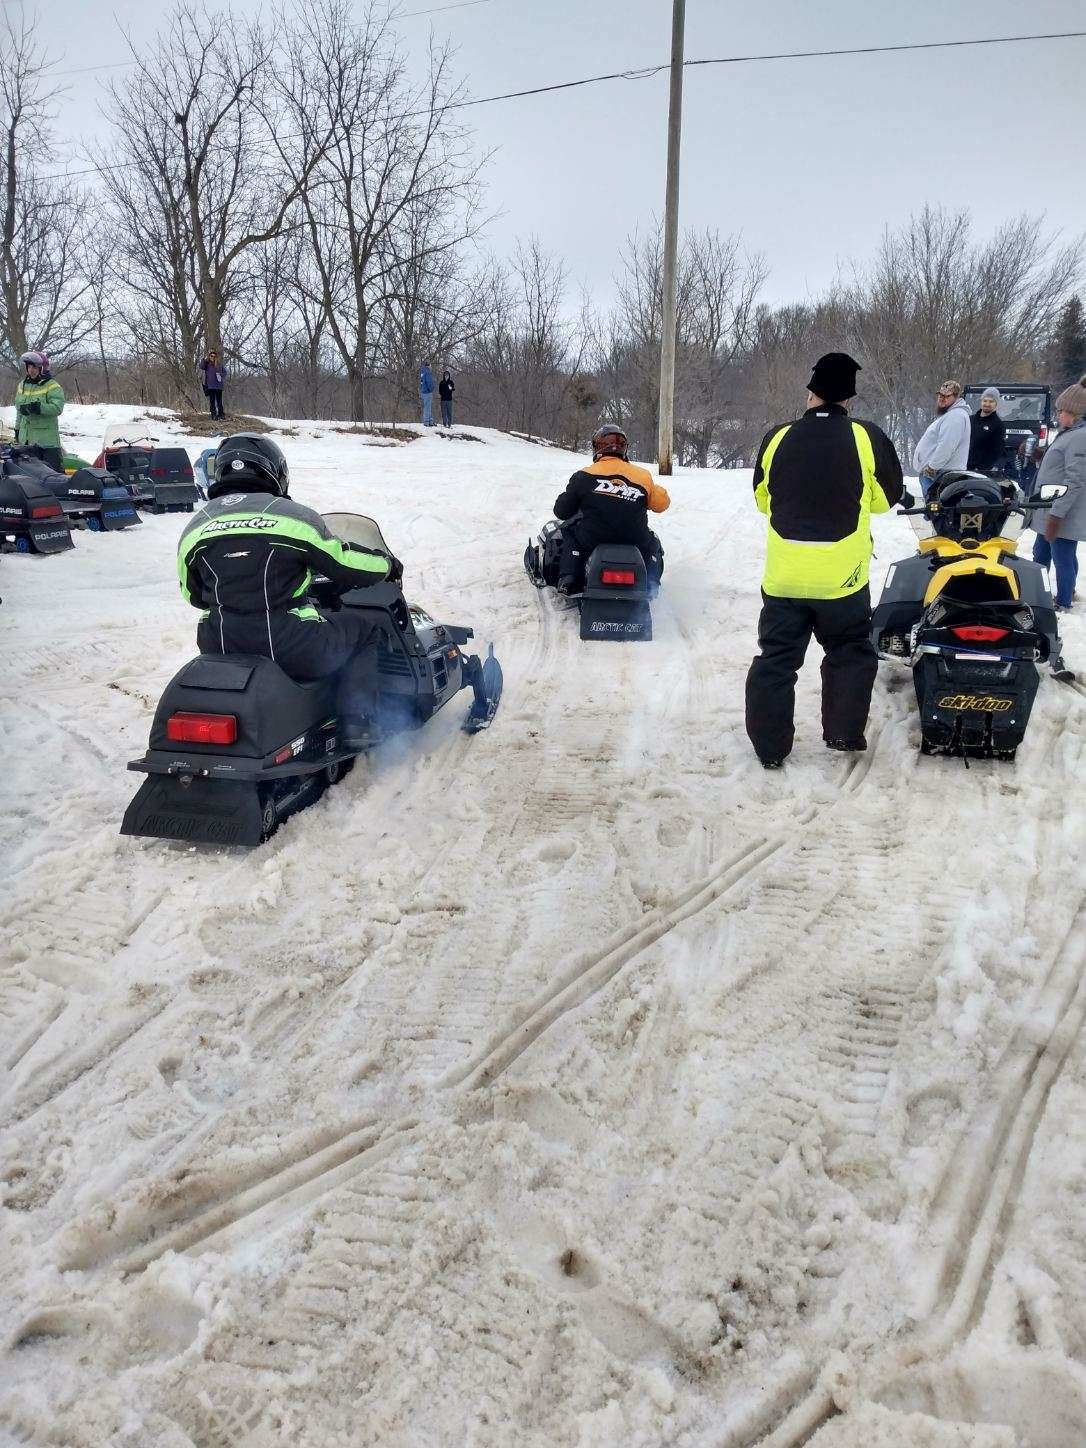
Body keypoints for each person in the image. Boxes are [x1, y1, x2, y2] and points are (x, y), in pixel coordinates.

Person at [177, 434, 400, 747]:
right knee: (364, 632)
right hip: (292, 646)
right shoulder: (292, 517)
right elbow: (343, 562)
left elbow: (193, 595)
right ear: (275, 473)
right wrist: (387, 565)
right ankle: (358, 722)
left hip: (221, 645)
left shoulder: (195, 526)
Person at [745, 352, 903, 769]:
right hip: (842, 579)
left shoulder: (777, 436)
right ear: (849, 397)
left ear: (810, 391)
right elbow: (886, 499)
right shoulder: (867, 437)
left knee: (776, 659)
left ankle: (769, 749)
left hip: (785, 577)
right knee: (850, 651)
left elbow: (764, 501)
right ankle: (841, 733)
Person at [552, 423, 670, 595]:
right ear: (624, 449)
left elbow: (561, 512)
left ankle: (569, 578)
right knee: (653, 543)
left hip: (593, 539)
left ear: (597, 448)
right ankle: (651, 583)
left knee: (569, 533)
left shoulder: (584, 475)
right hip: (634, 539)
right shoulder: (642, 476)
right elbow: (662, 504)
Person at [1032, 374, 1086, 613]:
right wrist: (1039, 457)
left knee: (1062, 557)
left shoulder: (1080, 437)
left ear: (1075, 413)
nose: (1058, 414)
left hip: (1061, 513)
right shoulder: (1069, 433)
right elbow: (1059, 466)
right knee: (1041, 553)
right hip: (1050, 510)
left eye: (1062, 410)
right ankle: (1037, 592)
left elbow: (1075, 480)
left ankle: (1063, 600)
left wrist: (1056, 516)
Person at [913, 379, 971, 497]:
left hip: (941, 475)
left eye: (946, 396)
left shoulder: (955, 416)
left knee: (936, 511)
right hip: (940, 473)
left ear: (956, 397)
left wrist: (932, 468)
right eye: (940, 395)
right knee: (934, 511)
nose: (941, 398)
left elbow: (946, 446)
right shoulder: (950, 414)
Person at [14, 351, 65, 455]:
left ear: (42, 368)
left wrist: (39, 408)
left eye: (34, 367)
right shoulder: (22, 385)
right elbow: (19, 411)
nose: (31, 370)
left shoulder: (52, 386)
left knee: (49, 471)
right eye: (29, 367)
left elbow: (57, 408)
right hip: (26, 441)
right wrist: (17, 429)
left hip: (46, 443)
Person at [968, 386, 1008, 474]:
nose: (987, 404)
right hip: (964, 466)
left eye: (991, 401)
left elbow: (997, 451)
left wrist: (984, 469)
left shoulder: (998, 425)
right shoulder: (970, 420)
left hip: (981, 470)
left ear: (996, 404)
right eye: (985, 400)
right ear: (981, 401)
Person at [199, 351, 226, 419]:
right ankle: (213, 415)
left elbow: (225, 373)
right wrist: (204, 358)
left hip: (219, 386)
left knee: (219, 401)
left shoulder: (219, 365)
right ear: (209, 356)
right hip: (210, 386)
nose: (213, 357)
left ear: (216, 357)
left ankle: (221, 414)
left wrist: (220, 375)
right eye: (211, 356)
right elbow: (201, 366)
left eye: (214, 356)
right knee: (212, 401)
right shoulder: (207, 364)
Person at [419, 361, 436, 427]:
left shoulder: (422, 372)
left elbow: (421, 383)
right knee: (427, 407)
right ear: (428, 366)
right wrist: (431, 389)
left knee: (427, 407)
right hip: (427, 392)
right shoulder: (427, 372)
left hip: (423, 392)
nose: (431, 367)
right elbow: (429, 382)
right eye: (430, 366)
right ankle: (427, 422)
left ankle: (430, 421)